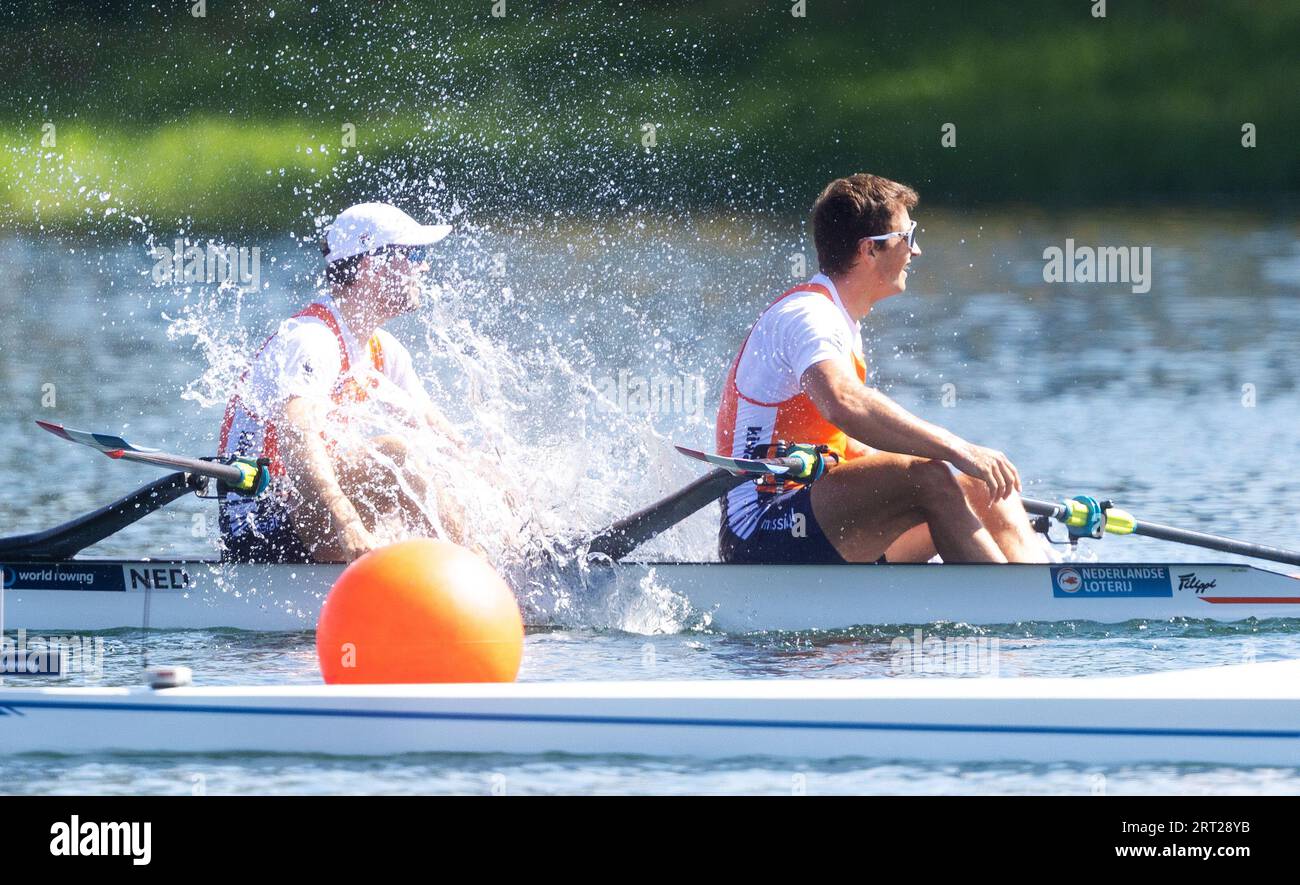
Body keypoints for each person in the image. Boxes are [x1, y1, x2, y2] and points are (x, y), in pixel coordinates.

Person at [716, 173, 1047, 564]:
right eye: (907, 238)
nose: (917, 251)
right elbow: (844, 403)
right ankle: (1011, 604)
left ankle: (1045, 594)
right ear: (868, 251)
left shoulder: (840, 321)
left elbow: (849, 443)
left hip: (811, 517)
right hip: (761, 529)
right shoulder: (809, 316)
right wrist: (959, 449)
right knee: (929, 476)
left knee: (984, 485)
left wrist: (964, 465)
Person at [219, 201, 465, 563]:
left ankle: (501, 562)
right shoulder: (313, 340)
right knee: (394, 455)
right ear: (371, 267)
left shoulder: (383, 350)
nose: (423, 265)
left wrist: (496, 481)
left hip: (306, 509)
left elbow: (444, 441)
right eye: (412, 254)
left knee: (451, 470)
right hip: (260, 524)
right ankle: (478, 574)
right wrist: (348, 522)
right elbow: (296, 438)